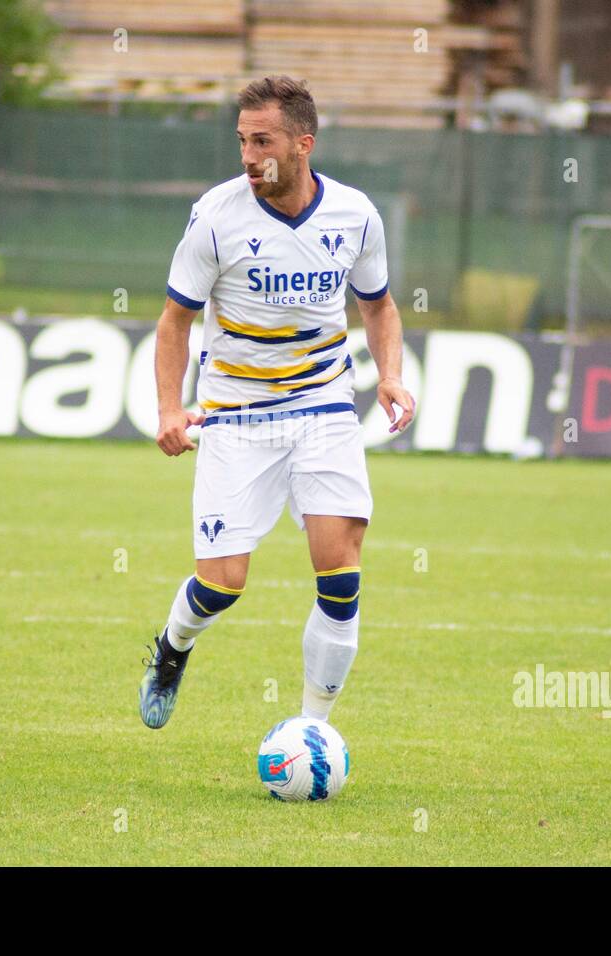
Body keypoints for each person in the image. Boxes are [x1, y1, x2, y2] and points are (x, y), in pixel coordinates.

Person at [139, 76, 416, 730]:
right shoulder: (216, 217)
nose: (247, 155)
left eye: (262, 141)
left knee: (340, 572)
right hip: (236, 417)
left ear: (302, 144)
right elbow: (175, 320)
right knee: (221, 584)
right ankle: (173, 647)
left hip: (324, 408)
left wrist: (390, 375)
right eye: (242, 141)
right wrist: (170, 410)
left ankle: (313, 729)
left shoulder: (355, 215)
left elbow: (379, 305)